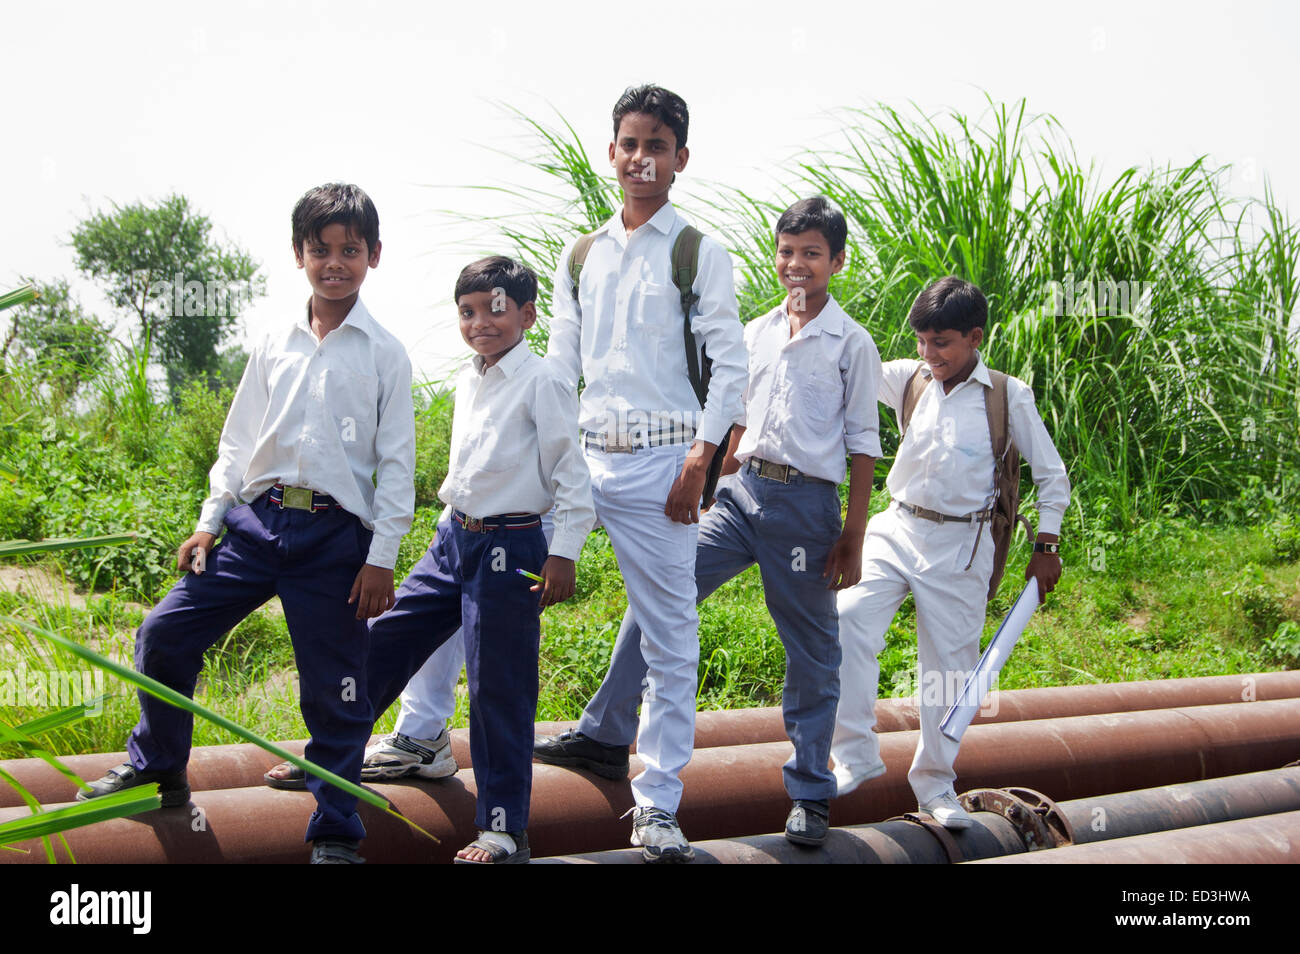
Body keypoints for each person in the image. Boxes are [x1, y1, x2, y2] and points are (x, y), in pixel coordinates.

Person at [77, 183, 417, 864]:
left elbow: (397, 463)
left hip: (335, 541)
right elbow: (237, 443)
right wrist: (210, 521)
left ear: (374, 255)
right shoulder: (273, 340)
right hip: (257, 526)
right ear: (299, 254)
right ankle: (161, 767)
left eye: (350, 250)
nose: (334, 263)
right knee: (164, 631)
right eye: (320, 249)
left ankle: (335, 832)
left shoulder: (384, 352)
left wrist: (381, 557)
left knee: (336, 691)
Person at [557, 197, 881, 846]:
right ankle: (605, 733)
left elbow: (863, 445)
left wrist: (853, 534)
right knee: (659, 598)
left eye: (812, 254)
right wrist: (708, 480)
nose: (797, 265)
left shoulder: (851, 342)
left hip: (806, 510)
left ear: (837, 262)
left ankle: (810, 794)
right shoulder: (756, 332)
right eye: (788, 251)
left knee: (813, 650)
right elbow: (733, 416)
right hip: (736, 497)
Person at [532, 84, 747, 863]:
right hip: (584, 457)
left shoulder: (698, 252)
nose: (641, 157)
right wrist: (542, 448)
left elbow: (731, 366)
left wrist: (701, 457)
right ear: (612, 150)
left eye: (657, 144)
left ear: (680, 159)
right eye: (629, 142)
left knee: (670, 636)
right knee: (471, 564)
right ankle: (420, 736)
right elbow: (561, 365)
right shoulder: (581, 253)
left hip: (664, 463)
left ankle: (656, 804)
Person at [354, 256, 595, 864]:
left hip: (511, 547)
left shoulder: (542, 382)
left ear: (527, 314)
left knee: (498, 686)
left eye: (494, 308)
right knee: (386, 637)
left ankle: (503, 829)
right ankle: (331, 760)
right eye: (467, 311)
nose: (480, 321)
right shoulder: (470, 376)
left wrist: (562, 553)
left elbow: (573, 480)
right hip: (453, 537)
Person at [830, 276, 1069, 829]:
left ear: (974, 337)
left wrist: (1046, 545)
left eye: (942, 343)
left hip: (964, 545)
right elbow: (847, 364)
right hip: (898, 527)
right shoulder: (906, 378)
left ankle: (935, 785)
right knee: (845, 619)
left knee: (948, 674)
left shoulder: (1008, 396)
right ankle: (855, 753)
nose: (928, 353)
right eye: (921, 340)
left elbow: (1052, 476)